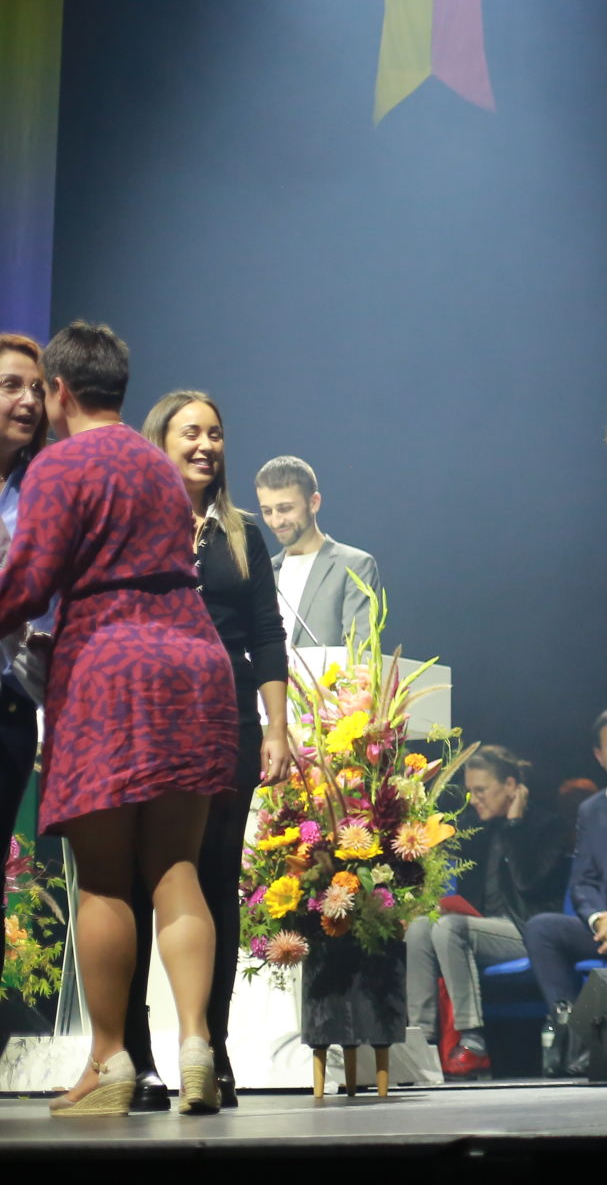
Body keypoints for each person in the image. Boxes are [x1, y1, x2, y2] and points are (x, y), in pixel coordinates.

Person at [0, 321, 239, 1115]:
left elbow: (29, 581)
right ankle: (197, 1042)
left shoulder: (61, 463)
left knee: (104, 880)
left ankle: (110, 1061)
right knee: (177, 868)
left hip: (110, 665)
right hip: (193, 659)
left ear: (61, 391)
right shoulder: (160, 467)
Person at [119, 391, 293, 1110]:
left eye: (216, 434)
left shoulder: (242, 532)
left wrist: (277, 727)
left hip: (228, 722)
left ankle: (210, 1048)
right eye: (192, 432)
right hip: (147, 720)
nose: (206, 445)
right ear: (159, 441)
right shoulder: (130, 523)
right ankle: (134, 1052)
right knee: (132, 885)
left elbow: (266, 633)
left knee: (217, 882)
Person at [404, 744, 567, 1079]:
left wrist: (515, 825)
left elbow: (530, 884)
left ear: (510, 786)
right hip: (482, 929)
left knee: (450, 929)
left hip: (527, 932)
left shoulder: (546, 826)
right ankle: (421, 1040)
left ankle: (472, 1039)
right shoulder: (478, 828)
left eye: (481, 791)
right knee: (421, 927)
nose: (474, 799)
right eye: (470, 792)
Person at [523, 708, 607, 1022]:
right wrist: (601, 921)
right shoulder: (591, 810)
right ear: (599, 755)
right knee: (542, 929)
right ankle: (574, 1031)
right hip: (606, 931)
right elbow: (582, 881)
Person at [0, 333, 54, 840]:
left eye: (37, 389)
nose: (29, 401)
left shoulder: (49, 481)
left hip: (11, 703)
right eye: (11, 386)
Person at [252, 455, 381, 648]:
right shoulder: (262, 572)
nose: (276, 521)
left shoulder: (355, 566)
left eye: (285, 509)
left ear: (314, 502)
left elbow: (359, 653)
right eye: (267, 511)